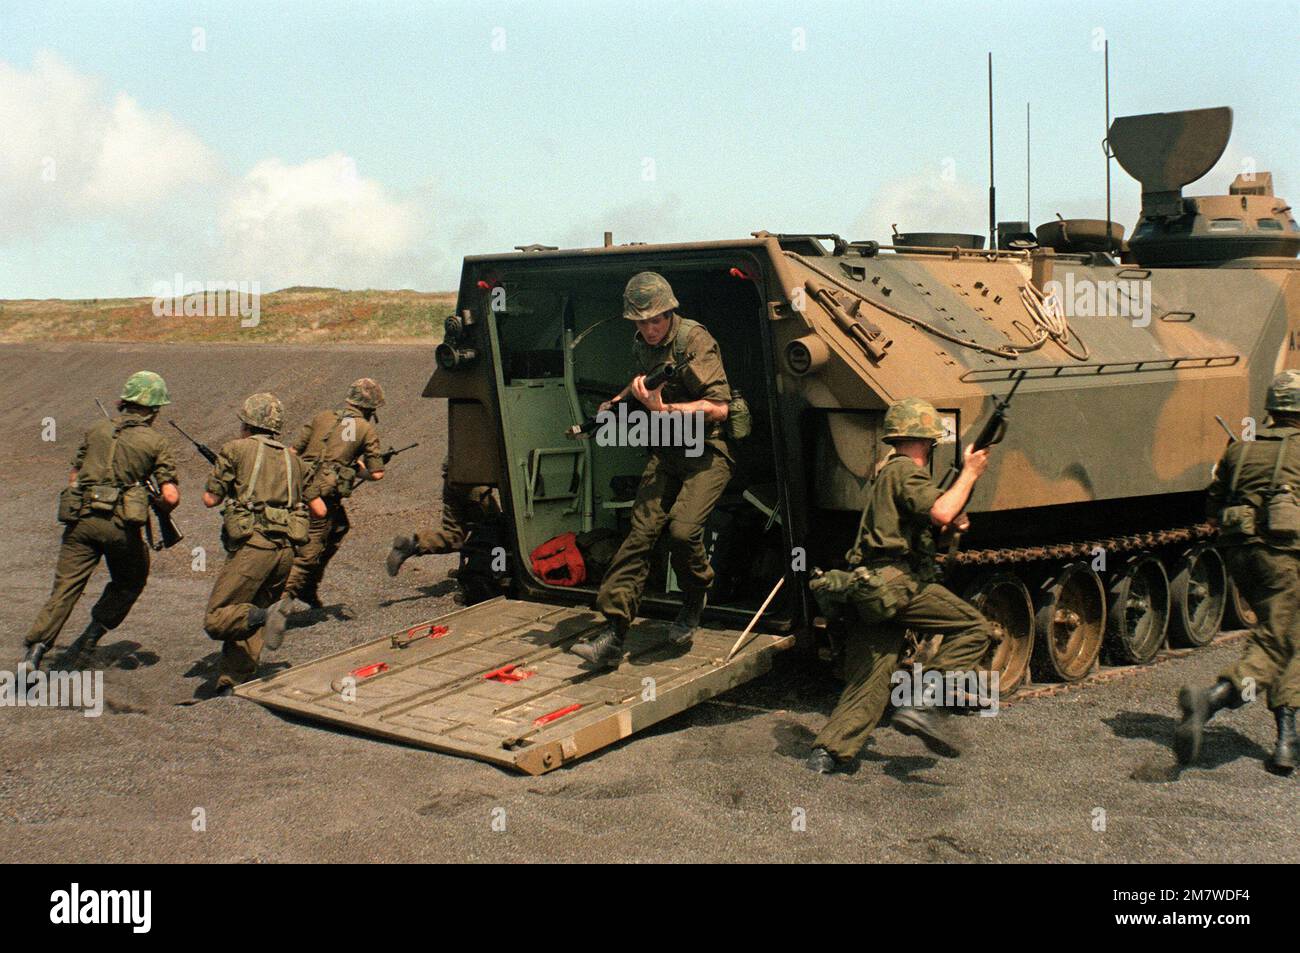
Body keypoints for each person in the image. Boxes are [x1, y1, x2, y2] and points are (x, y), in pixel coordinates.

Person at [805, 397, 995, 774]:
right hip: (898, 585)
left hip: (871, 589)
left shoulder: (887, 470)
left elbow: (930, 518)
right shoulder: (906, 471)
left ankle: (828, 754)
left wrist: (950, 519)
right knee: (975, 629)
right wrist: (970, 473)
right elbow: (940, 510)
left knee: (870, 678)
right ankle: (924, 701)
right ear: (928, 439)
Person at [570, 271, 734, 668]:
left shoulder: (694, 340)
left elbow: (719, 406)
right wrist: (619, 402)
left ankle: (694, 598)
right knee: (639, 535)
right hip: (666, 452)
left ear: (670, 312)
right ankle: (613, 632)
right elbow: (642, 382)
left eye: (655, 320)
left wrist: (663, 411)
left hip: (706, 451)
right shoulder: (643, 343)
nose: (648, 329)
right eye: (640, 322)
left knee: (681, 531)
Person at [1176, 371, 1300, 775]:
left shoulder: (1239, 449)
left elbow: (1213, 507)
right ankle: (1213, 699)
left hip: (1241, 559)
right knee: (1277, 643)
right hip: (1284, 560)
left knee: (1286, 636)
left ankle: (1286, 741)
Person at [21, 371, 180, 671]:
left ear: (125, 403)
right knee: (130, 580)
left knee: (65, 588)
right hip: (121, 527)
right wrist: (151, 498)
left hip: (81, 521)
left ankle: (36, 650)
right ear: (154, 409)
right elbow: (170, 497)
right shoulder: (156, 442)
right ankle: (89, 639)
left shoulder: (97, 430)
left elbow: (74, 478)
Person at [201, 393, 307, 694]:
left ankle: (269, 615)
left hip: (253, 548)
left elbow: (210, 499)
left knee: (218, 617)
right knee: (249, 610)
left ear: (247, 423)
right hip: (286, 550)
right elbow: (314, 503)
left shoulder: (235, 449)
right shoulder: (294, 460)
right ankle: (232, 681)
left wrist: (233, 485)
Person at [284, 378, 386, 608]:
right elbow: (377, 473)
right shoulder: (365, 428)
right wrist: (361, 468)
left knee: (339, 527)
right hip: (323, 496)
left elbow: (292, 452)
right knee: (309, 551)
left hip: (299, 485)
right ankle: (282, 601)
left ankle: (308, 587)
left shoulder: (322, 417)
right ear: (370, 407)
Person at [385, 458, 498, 576]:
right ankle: (499, 572)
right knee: (498, 527)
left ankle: (412, 546)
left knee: (454, 535)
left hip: (452, 477)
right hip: (472, 479)